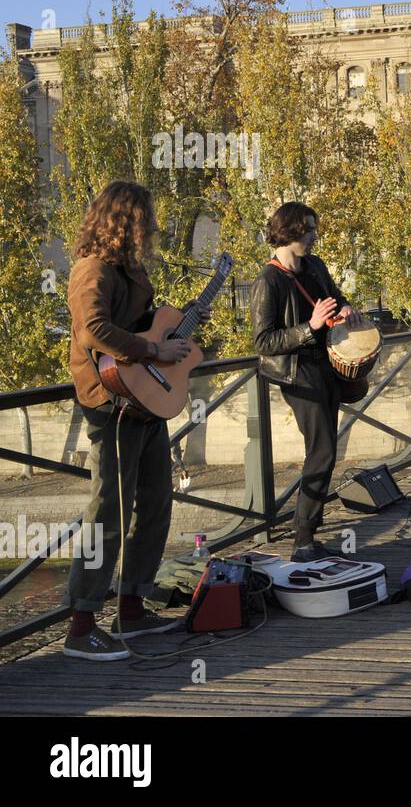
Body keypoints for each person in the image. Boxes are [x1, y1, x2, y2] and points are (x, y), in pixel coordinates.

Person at [64, 181, 210, 660]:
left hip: (142, 400)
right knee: (107, 511)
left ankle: (130, 608)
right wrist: (154, 349)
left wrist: (176, 328)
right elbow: (93, 329)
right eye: (145, 218)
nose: (152, 226)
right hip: (110, 404)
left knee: (155, 504)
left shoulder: (131, 269)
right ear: (125, 220)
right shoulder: (93, 269)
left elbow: (143, 322)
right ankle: (81, 627)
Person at [252, 202, 364, 561]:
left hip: (327, 364)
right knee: (323, 450)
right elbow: (263, 342)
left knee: (326, 448)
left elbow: (335, 299)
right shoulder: (267, 281)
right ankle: (303, 538)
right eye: (310, 229)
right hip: (299, 373)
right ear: (291, 232)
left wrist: (344, 308)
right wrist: (309, 327)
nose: (315, 235)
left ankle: (308, 533)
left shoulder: (315, 266)